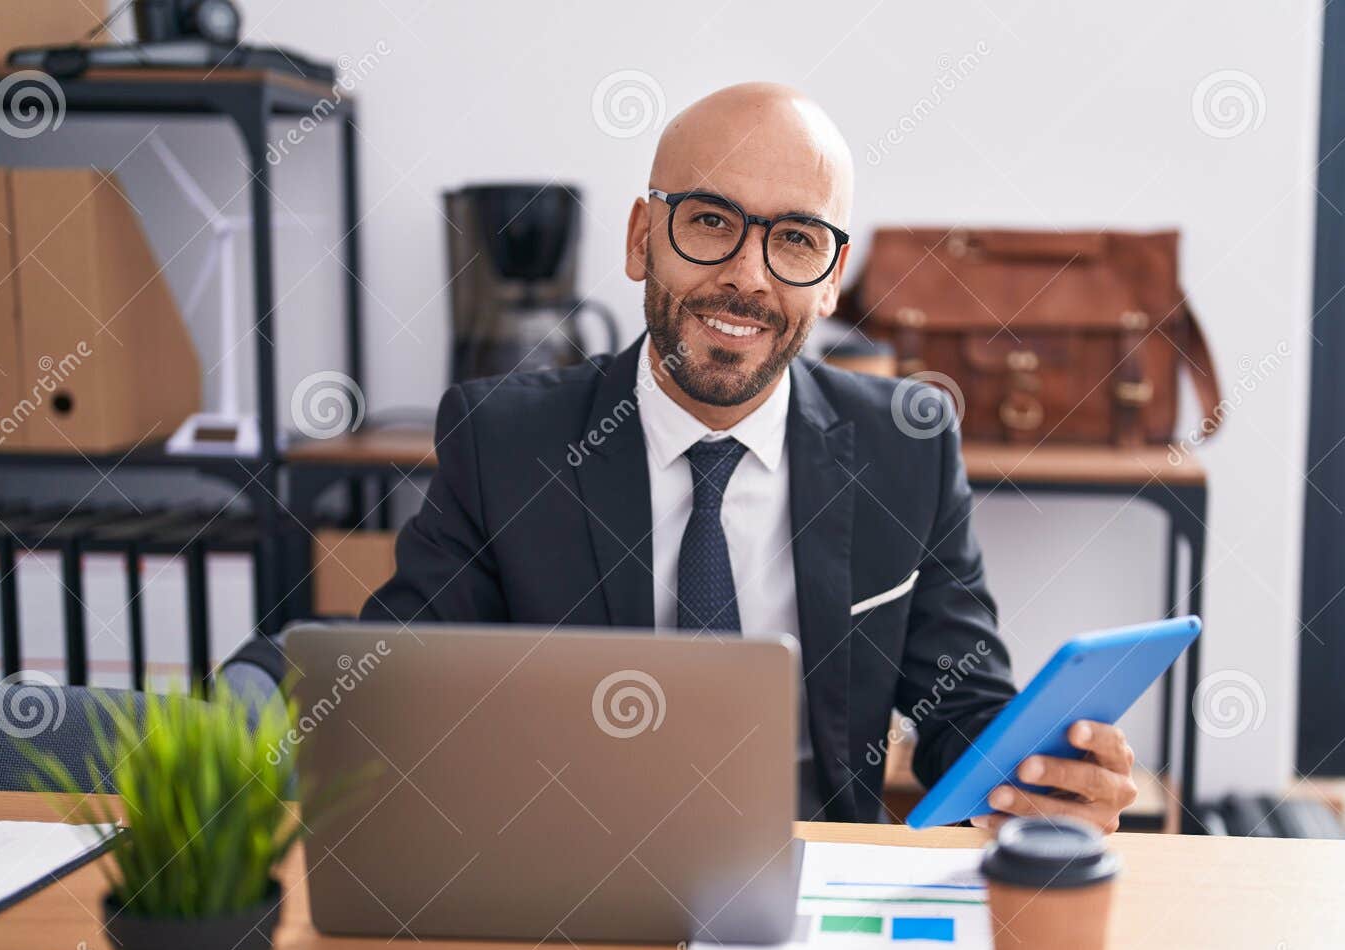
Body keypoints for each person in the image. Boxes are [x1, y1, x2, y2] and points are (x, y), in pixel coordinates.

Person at [361, 82, 1138, 829]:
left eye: (796, 239)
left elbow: (962, 704)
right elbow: (397, 685)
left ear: (832, 281)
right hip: (576, 867)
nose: (747, 277)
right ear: (642, 239)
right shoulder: (503, 441)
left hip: (815, 862)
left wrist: (1036, 777)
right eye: (709, 221)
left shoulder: (909, 444)